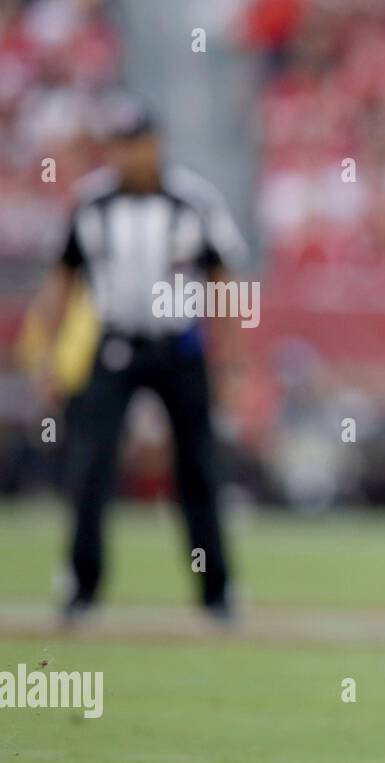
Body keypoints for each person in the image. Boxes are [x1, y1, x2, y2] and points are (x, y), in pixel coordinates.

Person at [27, 100, 247, 625]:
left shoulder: (193, 200)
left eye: (137, 144)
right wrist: (48, 357)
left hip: (180, 346)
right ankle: (81, 587)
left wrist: (233, 362)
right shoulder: (92, 202)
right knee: (89, 465)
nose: (128, 156)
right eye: (120, 145)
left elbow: (224, 283)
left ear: (157, 145)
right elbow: (62, 280)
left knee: (198, 467)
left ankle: (216, 591)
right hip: (114, 344)